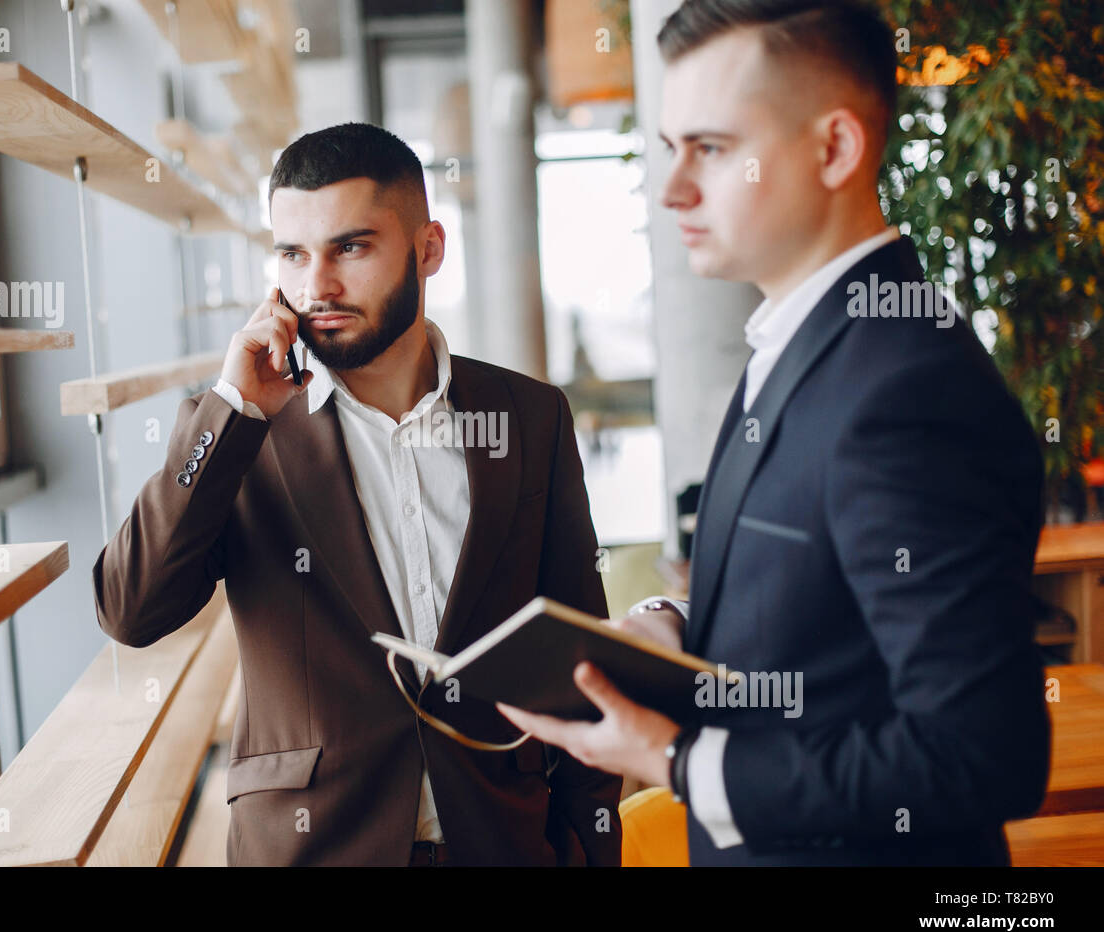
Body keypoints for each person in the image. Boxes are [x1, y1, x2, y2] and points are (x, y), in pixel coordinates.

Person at [499, 0, 1050, 865]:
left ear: (833, 148)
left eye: (711, 149)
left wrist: (675, 760)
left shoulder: (906, 388)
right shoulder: (803, 341)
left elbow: (984, 755)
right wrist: (677, 628)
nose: (672, 188)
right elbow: (828, 617)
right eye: (668, 149)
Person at [93, 122, 622, 866]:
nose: (317, 288)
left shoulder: (530, 417)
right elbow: (131, 610)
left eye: (351, 247)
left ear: (428, 248)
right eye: (292, 254)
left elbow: (577, 653)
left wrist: (587, 848)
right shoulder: (241, 432)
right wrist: (231, 412)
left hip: (504, 841)